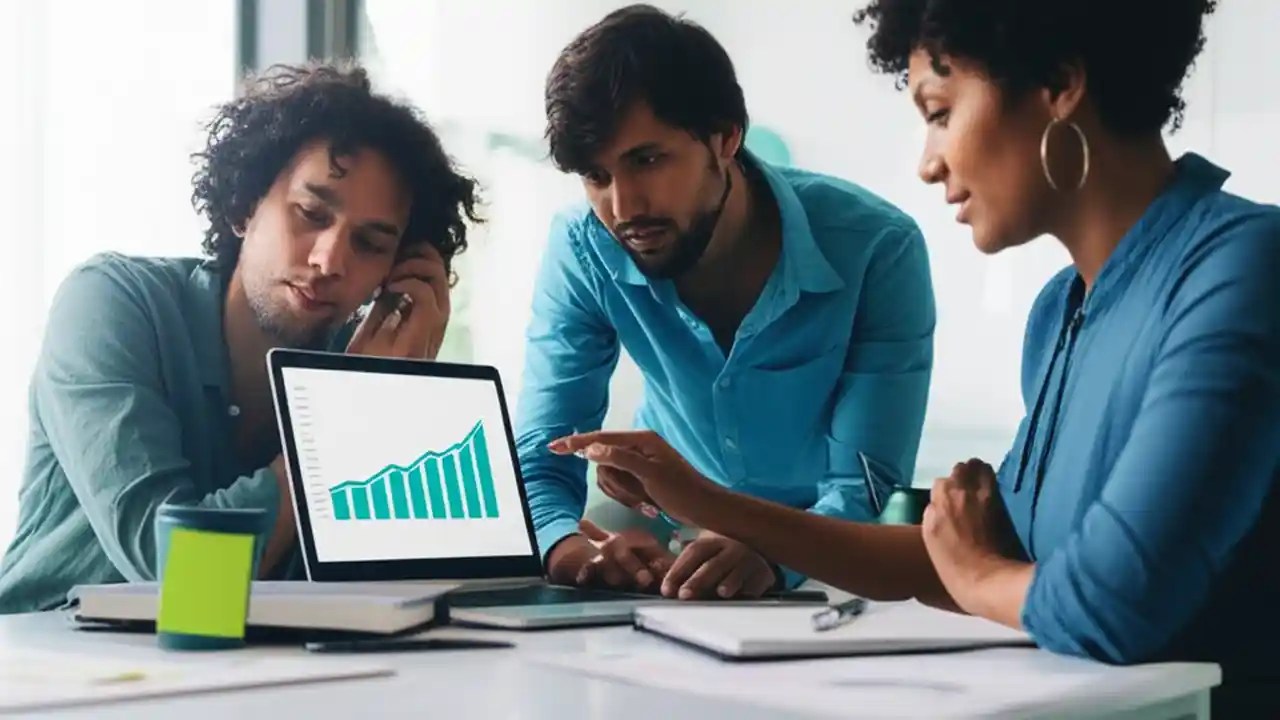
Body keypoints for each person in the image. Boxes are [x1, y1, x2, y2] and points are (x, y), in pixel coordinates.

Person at [552, 0, 1279, 713]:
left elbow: (1112, 599)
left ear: (1059, 86)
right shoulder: (1062, 309)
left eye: (939, 113)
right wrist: (704, 501)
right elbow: (955, 560)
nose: (929, 163)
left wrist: (979, 569)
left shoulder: (1243, 266)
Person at [0, 62, 481, 613]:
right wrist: (342, 421)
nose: (329, 261)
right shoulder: (110, 303)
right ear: (243, 205)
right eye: (310, 213)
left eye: (370, 245)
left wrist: (398, 403)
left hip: (254, 672)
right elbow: (178, 577)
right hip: (53, 667)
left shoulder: (355, 362)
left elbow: (400, 592)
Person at [517, 4, 936, 601]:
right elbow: (541, 454)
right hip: (654, 539)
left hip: (822, 552)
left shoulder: (876, 249)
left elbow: (862, 487)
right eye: (595, 176)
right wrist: (570, 552)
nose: (622, 206)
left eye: (648, 160)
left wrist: (773, 555)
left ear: (726, 138)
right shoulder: (583, 246)